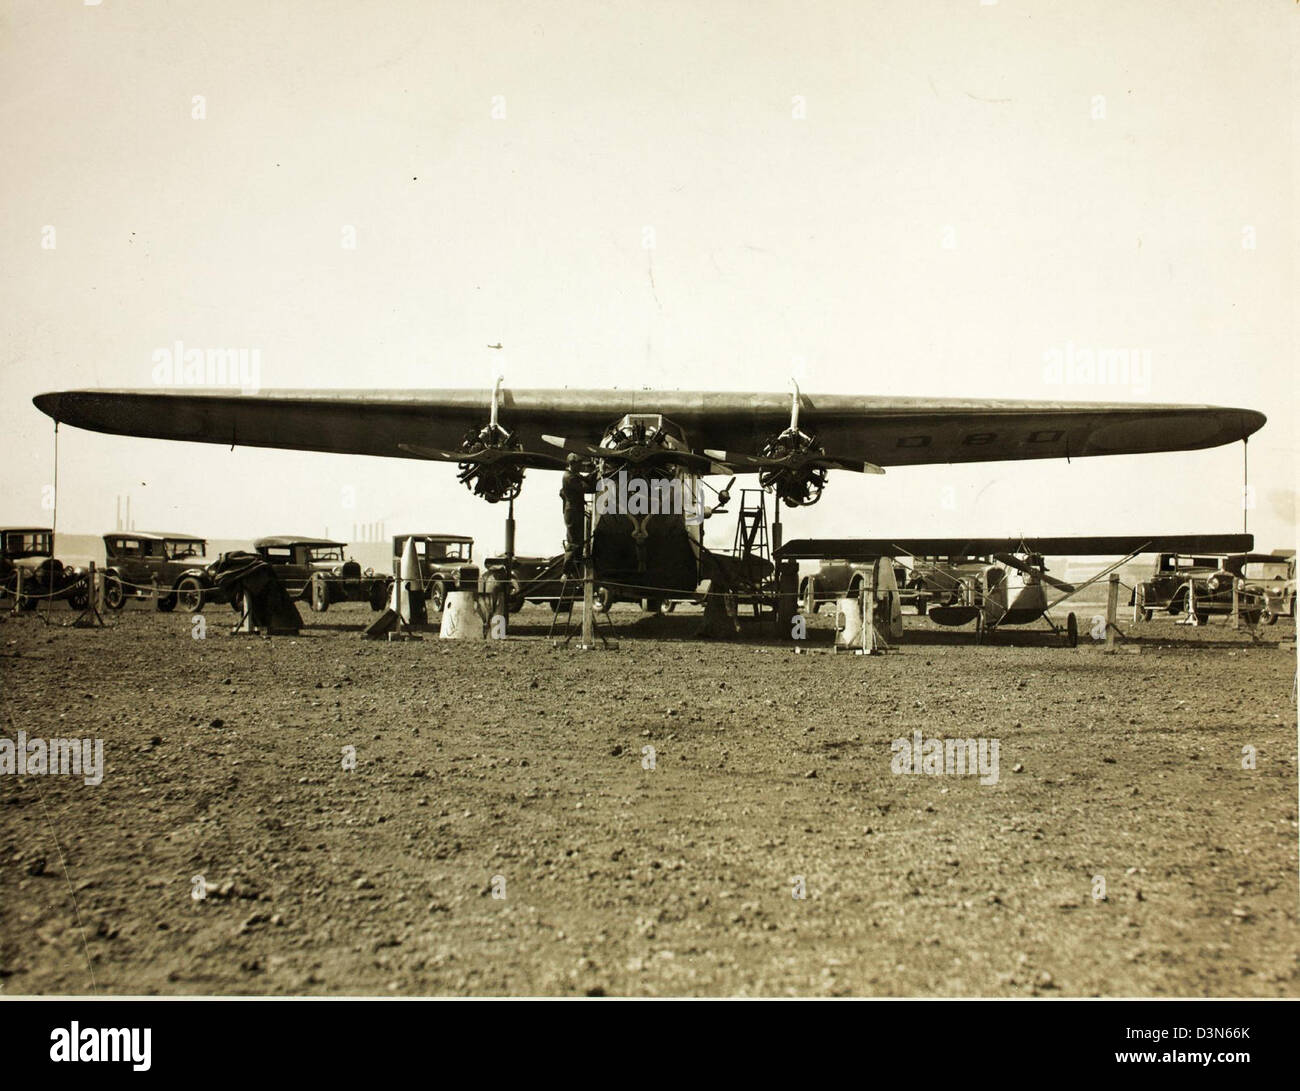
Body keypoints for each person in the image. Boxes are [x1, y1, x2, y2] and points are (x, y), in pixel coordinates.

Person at [560, 454, 595, 575]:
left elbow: (586, 479)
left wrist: (596, 472)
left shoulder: (574, 475)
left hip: (576, 510)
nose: (581, 466)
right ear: (572, 464)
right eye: (579, 464)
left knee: (578, 541)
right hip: (573, 512)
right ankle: (566, 572)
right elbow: (587, 487)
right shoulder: (569, 477)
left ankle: (576, 570)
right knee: (574, 542)